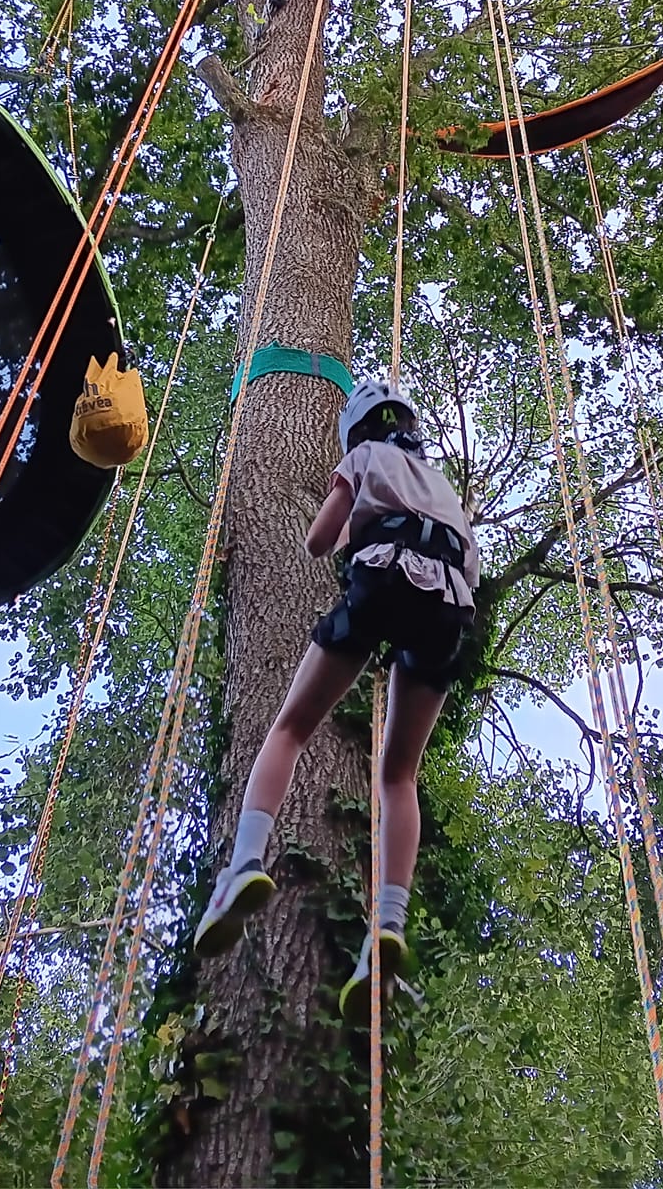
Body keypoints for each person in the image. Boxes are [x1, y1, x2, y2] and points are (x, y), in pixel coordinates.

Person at [192, 377, 479, 1024]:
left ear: (358, 431)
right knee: (398, 774)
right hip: (449, 612)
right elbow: (468, 570)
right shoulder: (443, 491)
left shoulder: (363, 457)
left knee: (291, 727)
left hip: (380, 583)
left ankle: (243, 865)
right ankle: (389, 924)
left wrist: (347, 525)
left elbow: (321, 539)